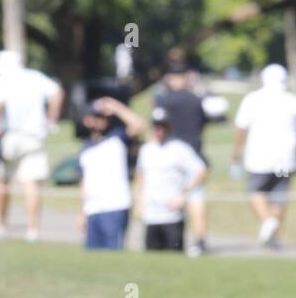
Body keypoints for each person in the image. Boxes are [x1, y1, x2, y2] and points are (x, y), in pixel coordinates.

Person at [0, 50, 64, 242]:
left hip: (10, 136)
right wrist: (52, 117)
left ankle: (1, 227)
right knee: (31, 185)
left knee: (3, 183)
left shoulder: (0, 82)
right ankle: (32, 231)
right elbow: (57, 92)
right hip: (35, 137)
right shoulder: (35, 77)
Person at [231, 64, 296, 248]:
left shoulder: (252, 99)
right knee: (279, 197)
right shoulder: (293, 101)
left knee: (255, 192)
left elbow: (241, 128)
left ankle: (268, 221)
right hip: (285, 160)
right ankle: (274, 237)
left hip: (259, 159)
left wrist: (236, 154)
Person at [155, 62, 210, 257]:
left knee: (172, 200)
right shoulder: (196, 100)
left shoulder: (164, 100)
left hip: (173, 156)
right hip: (195, 153)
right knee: (196, 198)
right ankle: (200, 241)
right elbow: (203, 124)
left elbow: (158, 127)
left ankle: (171, 241)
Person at [135, 107, 208, 253]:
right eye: (156, 126)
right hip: (151, 215)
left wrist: (184, 194)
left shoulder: (180, 149)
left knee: (173, 256)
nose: (159, 130)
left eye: (163, 126)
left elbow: (201, 171)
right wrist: (139, 200)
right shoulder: (146, 150)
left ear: (170, 126)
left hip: (172, 216)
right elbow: (140, 175)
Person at [78, 96, 145, 251]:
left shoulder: (118, 138)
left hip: (115, 205)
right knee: (92, 255)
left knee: (113, 252)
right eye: (97, 117)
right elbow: (83, 183)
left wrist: (115, 106)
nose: (101, 121)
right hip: (92, 208)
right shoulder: (86, 147)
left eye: (103, 117)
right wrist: (81, 212)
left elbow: (139, 124)